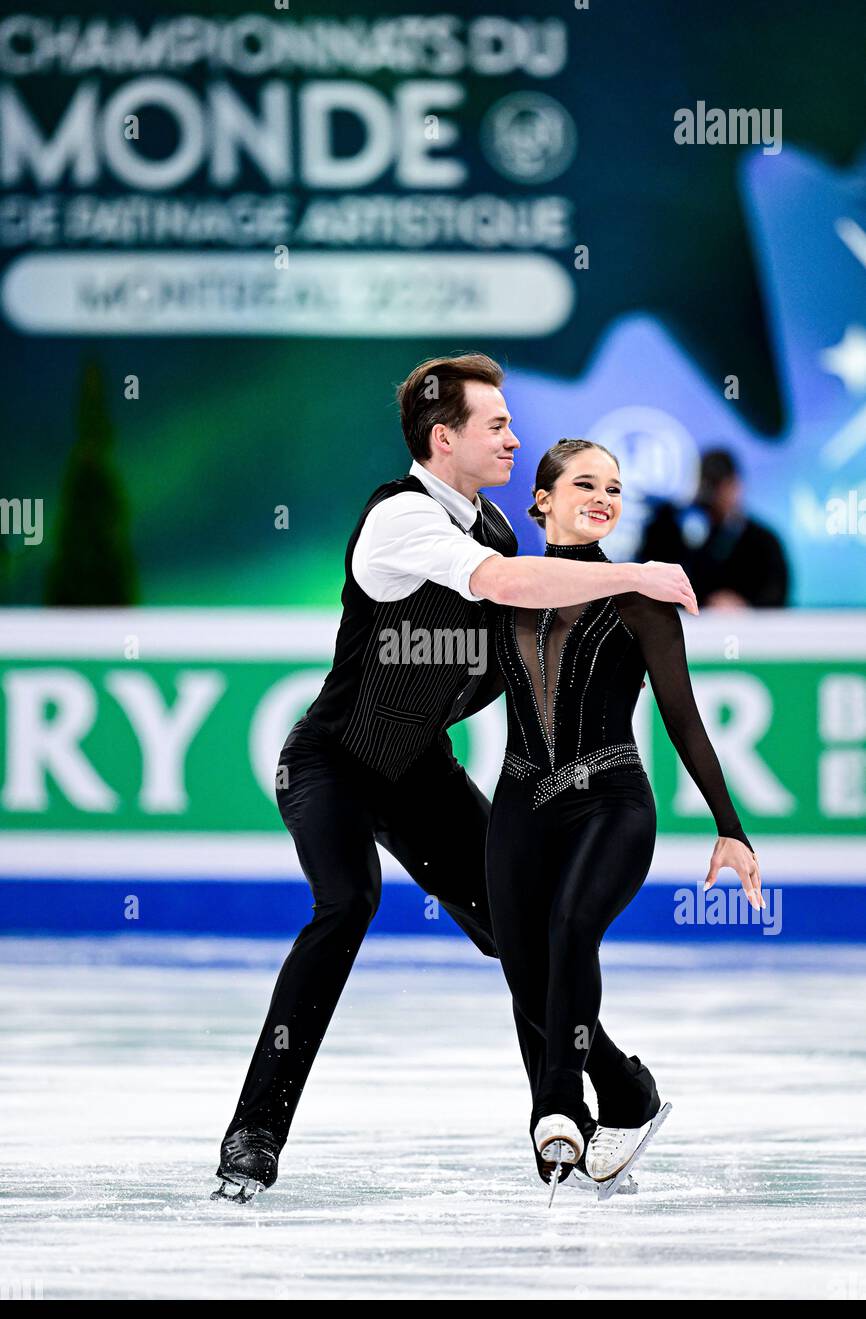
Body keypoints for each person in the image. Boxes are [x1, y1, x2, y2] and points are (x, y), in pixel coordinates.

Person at [212, 356, 698, 1202]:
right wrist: (636, 575)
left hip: (416, 770)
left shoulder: (500, 529)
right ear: (445, 439)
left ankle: (608, 1096)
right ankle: (254, 1132)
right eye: (497, 425)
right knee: (347, 903)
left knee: (522, 926)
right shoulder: (400, 519)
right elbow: (504, 587)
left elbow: (507, 644)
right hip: (332, 759)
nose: (515, 436)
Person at [486, 437, 763, 1195]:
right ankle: (628, 1092)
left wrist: (730, 827)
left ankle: (557, 1105)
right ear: (541, 498)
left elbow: (683, 718)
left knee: (571, 927)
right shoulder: (499, 586)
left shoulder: (642, 597)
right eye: (585, 483)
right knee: (524, 973)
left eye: (614, 487)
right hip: (517, 802)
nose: (604, 496)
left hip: (612, 801)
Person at [638, 448, 789, 608]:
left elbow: (776, 592)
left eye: (722, 486)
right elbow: (652, 574)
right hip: (690, 624)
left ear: (736, 485)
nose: (715, 495)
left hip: (749, 627)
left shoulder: (763, 541)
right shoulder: (675, 531)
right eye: (710, 486)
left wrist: (745, 606)